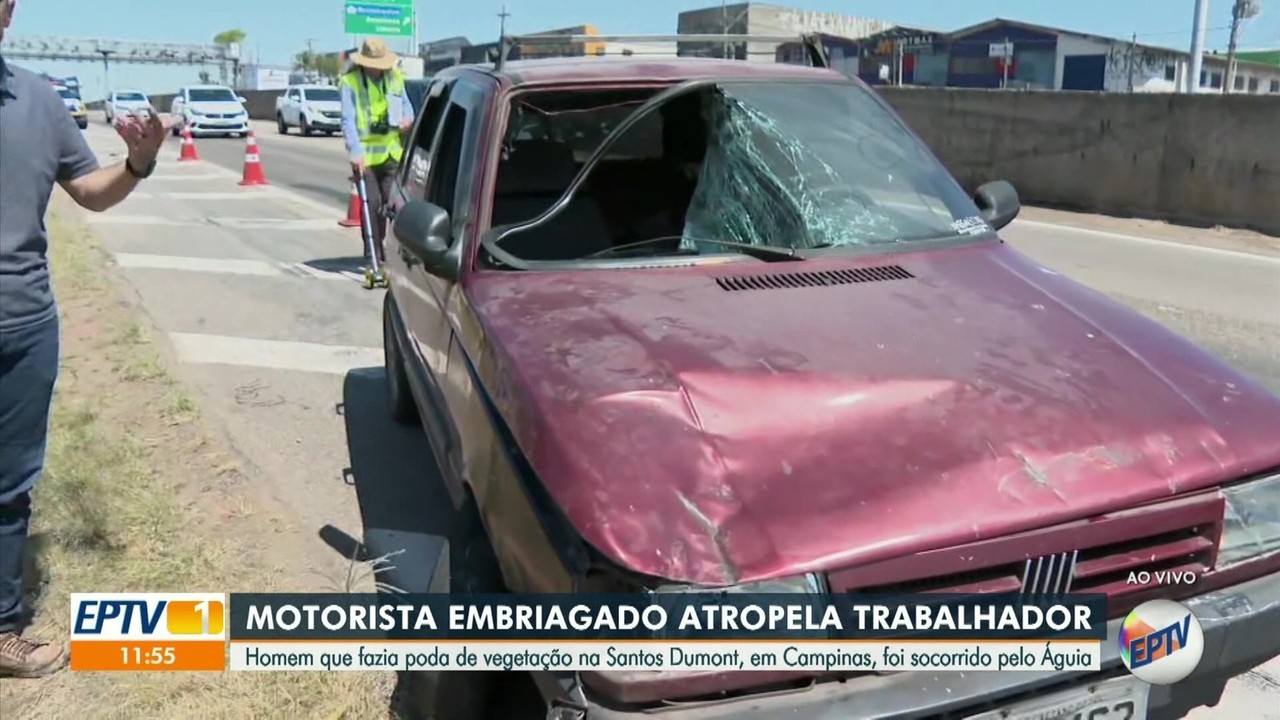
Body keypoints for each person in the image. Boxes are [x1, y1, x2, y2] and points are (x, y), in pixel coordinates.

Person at [0, 0, 167, 678]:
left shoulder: (39, 101)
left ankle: (3, 627)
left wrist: (137, 164)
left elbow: (90, 192)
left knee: (9, 488)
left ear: (8, 11)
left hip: (24, 327)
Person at [340, 38, 414, 268]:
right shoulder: (350, 82)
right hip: (366, 156)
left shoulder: (395, 78)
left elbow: (408, 106)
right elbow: (348, 120)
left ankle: (389, 249)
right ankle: (373, 252)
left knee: (391, 205)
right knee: (372, 204)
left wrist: (407, 120)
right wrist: (355, 151)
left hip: (392, 152)